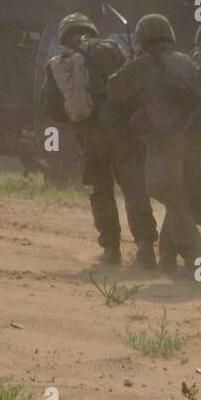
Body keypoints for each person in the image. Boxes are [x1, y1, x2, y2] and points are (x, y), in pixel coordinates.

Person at [40, 13, 157, 266]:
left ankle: (111, 250)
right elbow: (136, 84)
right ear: (91, 30)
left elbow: (50, 107)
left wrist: (76, 115)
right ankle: (145, 248)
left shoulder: (58, 62)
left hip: (89, 136)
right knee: (135, 188)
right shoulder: (113, 48)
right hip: (124, 133)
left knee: (99, 191)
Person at [107, 13, 201, 275]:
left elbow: (114, 89)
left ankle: (197, 262)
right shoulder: (188, 63)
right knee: (177, 193)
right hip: (192, 140)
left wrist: (132, 61)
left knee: (169, 194)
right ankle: (167, 258)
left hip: (163, 139)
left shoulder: (141, 65)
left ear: (143, 39)